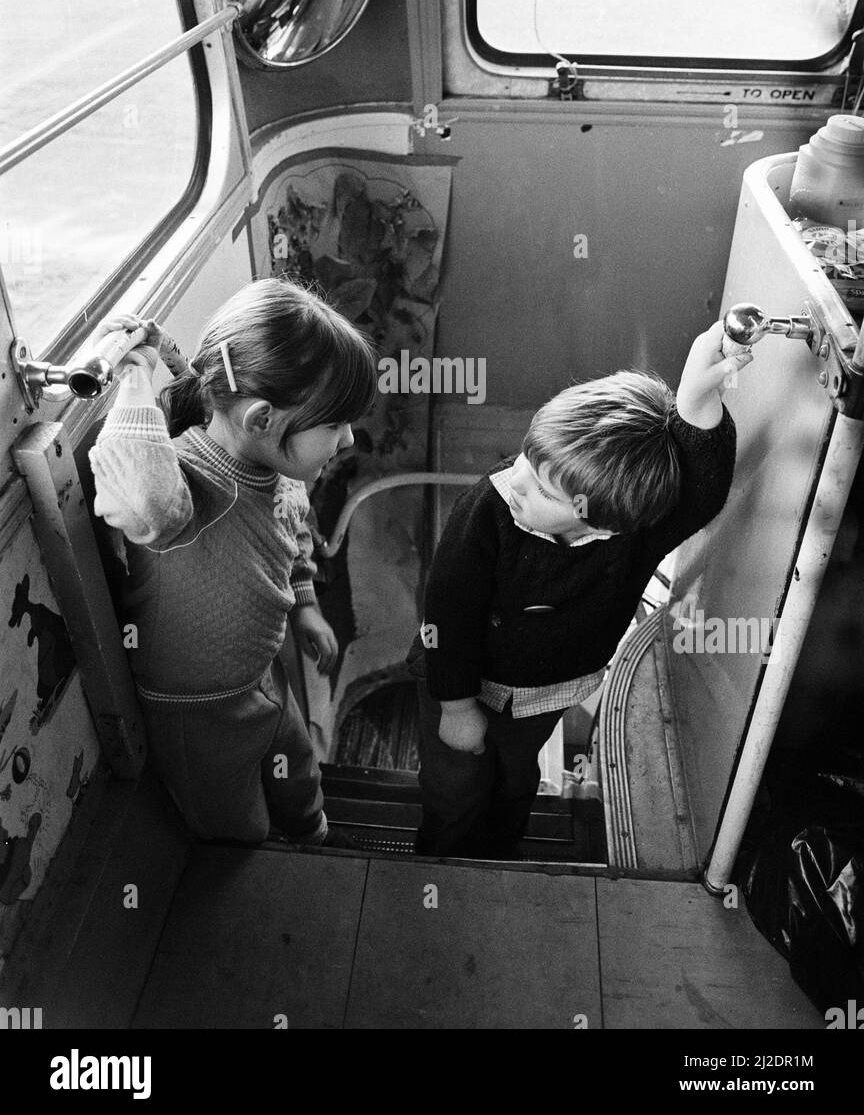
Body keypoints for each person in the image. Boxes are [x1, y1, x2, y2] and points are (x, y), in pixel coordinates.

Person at [407, 322, 749, 859]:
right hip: (459, 684)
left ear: (605, 525)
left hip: (544, 694)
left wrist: (695, 405)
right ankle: (443, 855)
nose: (515, 479)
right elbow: (446, 613)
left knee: (515, 780)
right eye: (527, 455)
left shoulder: (631, 537)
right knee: (454, 783)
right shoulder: (489, 511)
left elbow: (699, 498)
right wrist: (455, 706)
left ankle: (497, 852)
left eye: (543, 488)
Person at [89, 278, 376, 845]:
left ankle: (310, 832)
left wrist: (307, 605)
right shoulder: (185, 490)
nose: (347, 440)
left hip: (263, 675)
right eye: (335, 424)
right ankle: (251, 860)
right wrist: (135, 378)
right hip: (197, 711)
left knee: (297, 766)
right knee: (230, 813)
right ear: (262, 419)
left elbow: (288, 537)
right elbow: (140, 499)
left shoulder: (281, 473)